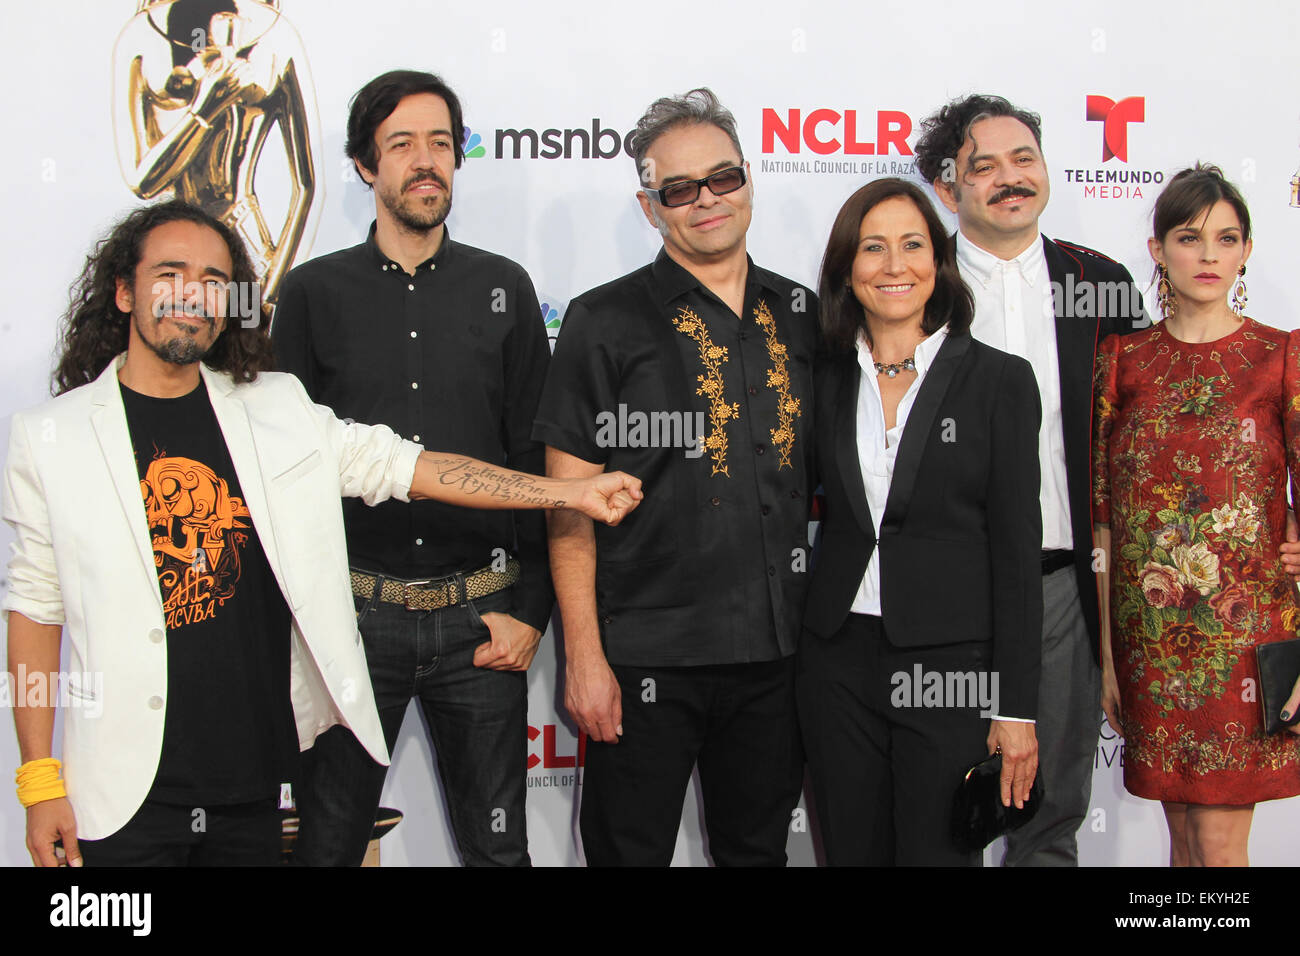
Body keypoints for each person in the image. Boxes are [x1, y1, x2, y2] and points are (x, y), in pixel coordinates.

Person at [3, 200, 640, 867]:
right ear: (124, 290)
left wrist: (565, 491)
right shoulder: (52, 439)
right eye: (170, 273)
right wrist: (39, 779)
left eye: (214, 279)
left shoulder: (276, 410)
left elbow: (415, 468)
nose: (193, 293)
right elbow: (34, 613)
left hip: (248, 787)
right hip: (118, 795)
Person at [272, 70, 554, 867]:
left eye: (441, 143)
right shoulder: (310, 294)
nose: (425, 162)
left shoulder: (504, 288)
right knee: (327, 849)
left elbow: (532, 459)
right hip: (351, 624)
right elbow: (284, 471)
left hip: (483, 625)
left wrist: (530, 609)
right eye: (402, 145)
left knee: (500, 855)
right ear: (366, 165)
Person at [534, 88, 818, 866]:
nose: (706, 202)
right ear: (649, 206)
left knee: (757, 854)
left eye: (722, 179)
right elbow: (568, 507)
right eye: (679, 190)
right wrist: (583, 659)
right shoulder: (602, 320)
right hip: (644, 659)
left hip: (777, 657)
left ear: (749, 179)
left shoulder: (801, 311)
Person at [913, 94, 1146, 866]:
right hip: (942, 593)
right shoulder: (912, 287)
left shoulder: (1102, 283)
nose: (1010, 179)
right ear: (948, 190)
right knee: (939, 810)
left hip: (1062, 591)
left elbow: (1145, 445)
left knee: (1051, 813)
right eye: (984, 167)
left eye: (1024, 160)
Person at [798, 177, 1041, 865]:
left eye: (913, 245)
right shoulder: (823, 377)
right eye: (873, 248)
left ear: (939, 261)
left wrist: (1016, 707)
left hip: (952, 668)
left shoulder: (999, 382)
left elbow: (1018, 557)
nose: (894, 265)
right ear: (848, 267)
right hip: (836, 661)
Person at [1093, 164, 1300, 866]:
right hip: (1148, 641)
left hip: (1246, 637)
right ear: (1158, 249)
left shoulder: (1281, 356)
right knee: (1181, 833)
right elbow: (1104, 523)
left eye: (1227, 238)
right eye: (1189, 237)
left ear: (1246, 250)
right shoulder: (1123, 361)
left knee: (1217, 844)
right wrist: (1108, 661)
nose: (1208, 255)